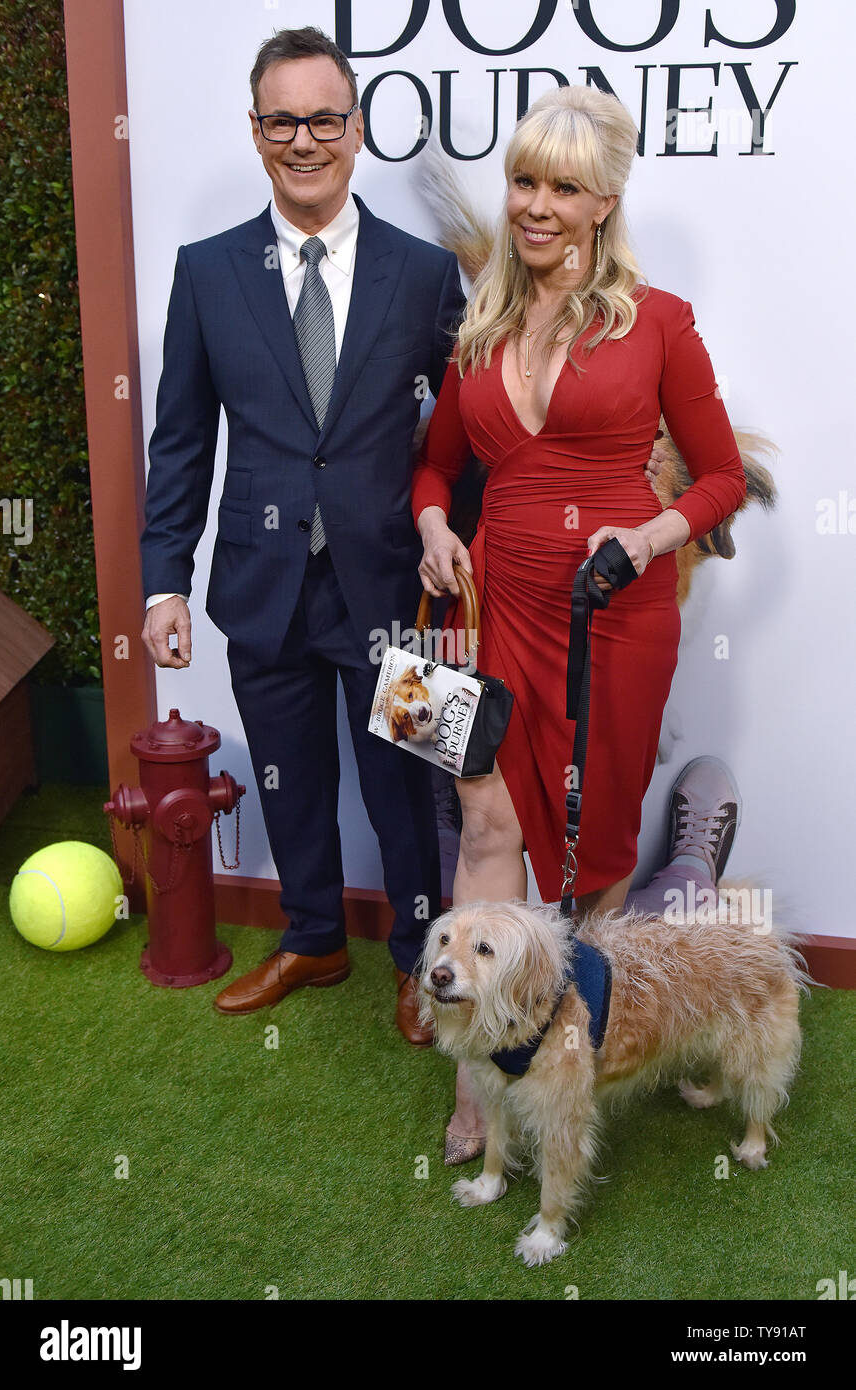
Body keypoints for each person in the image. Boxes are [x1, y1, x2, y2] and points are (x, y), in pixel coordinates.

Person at [410, 86, 747, 1158]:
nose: (536, 205)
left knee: (591, 846)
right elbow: (435, 463)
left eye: (563, 185)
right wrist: (429, 521)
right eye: (523, 181)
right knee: (486, 827)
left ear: (604, 199)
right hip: (485, 603)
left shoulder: (659, 323)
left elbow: (723, 479)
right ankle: (474, 1080)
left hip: (612, 612)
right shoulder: (480, 323)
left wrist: (647, 538)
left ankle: (570, 1058)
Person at [140, 26, 464, 1042]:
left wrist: (458, 539)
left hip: (395, 589)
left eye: (324, 117)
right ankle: (313, 934)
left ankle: (419, 956)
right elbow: (182, 438)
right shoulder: (206, 271)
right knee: (289, 776)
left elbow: (457, 433)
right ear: (255, 131)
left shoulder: (421, 273)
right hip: (260, 582)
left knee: (405, 789)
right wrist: (164, 584)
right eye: (282, 120)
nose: (304, 139)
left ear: (355, 127)